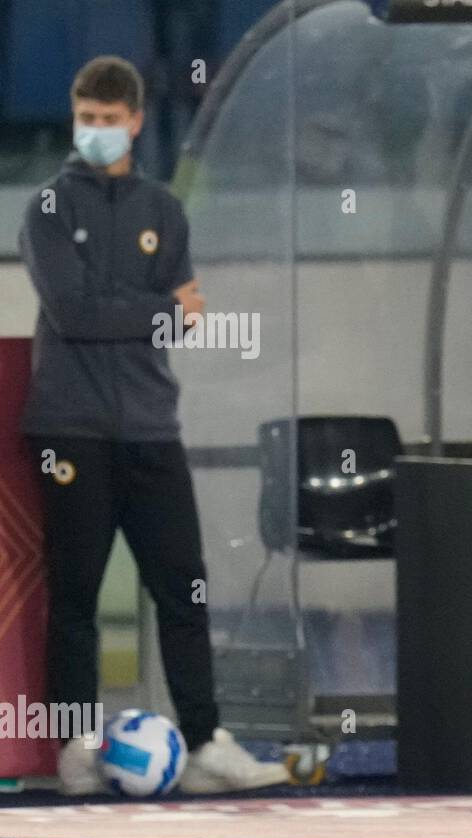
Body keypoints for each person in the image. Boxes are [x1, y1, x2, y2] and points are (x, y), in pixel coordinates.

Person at [20, 56, 289, 795]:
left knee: (183, 586)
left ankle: (204, 741)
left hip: (150, 425)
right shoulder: (46, 207)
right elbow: (76, 313)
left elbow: (167, 318)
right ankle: (75, 746)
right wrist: (156, 310)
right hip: (69, 428)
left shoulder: (163, 210)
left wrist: (135, 311)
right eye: (86, 119)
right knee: (76, 595)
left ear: (136, 120)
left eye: (109, 120)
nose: (96, 131)